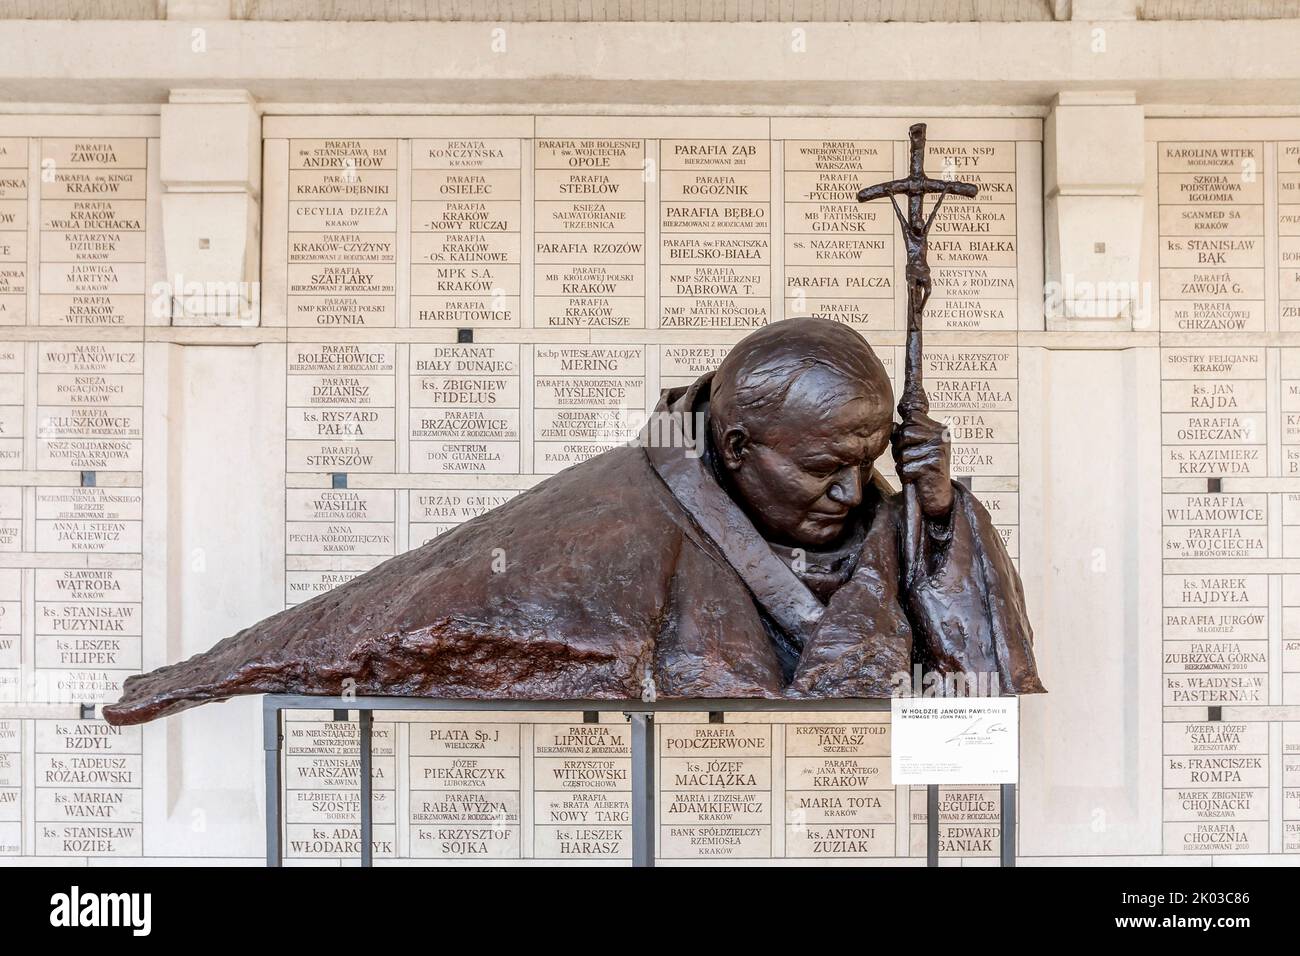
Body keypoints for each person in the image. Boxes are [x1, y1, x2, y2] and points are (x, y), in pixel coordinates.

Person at [103, 317, 1042, 726]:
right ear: (737, 444)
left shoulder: (899, 513)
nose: (850, 494)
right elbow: (401, 611)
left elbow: (973, 667)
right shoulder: (606, 524)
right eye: (825, 468)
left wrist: (937, 505)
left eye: (870, 460)